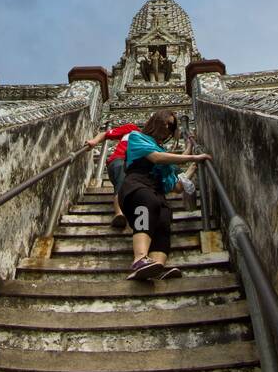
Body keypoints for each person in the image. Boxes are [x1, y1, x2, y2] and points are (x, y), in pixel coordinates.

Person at [118, 110, 211, 281]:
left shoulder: (163, 152)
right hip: (136, 185)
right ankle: (140, 259)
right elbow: (157, 158)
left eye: (172, 126)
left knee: (163, 218)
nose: (169, 128)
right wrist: (193, 156)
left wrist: (192, 167)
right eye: (167, 123)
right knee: (147, 202)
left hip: (157, 190)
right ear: (156, 122)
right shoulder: (137, 137)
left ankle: (157, 266)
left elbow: (175, 187)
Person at [85, 121, 142, 228]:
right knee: (122, 171)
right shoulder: (132, 129)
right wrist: (94, 141)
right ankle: (119, 213)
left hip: (138, 168)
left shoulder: (155, 141)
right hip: (119, 160)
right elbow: (105, 134)